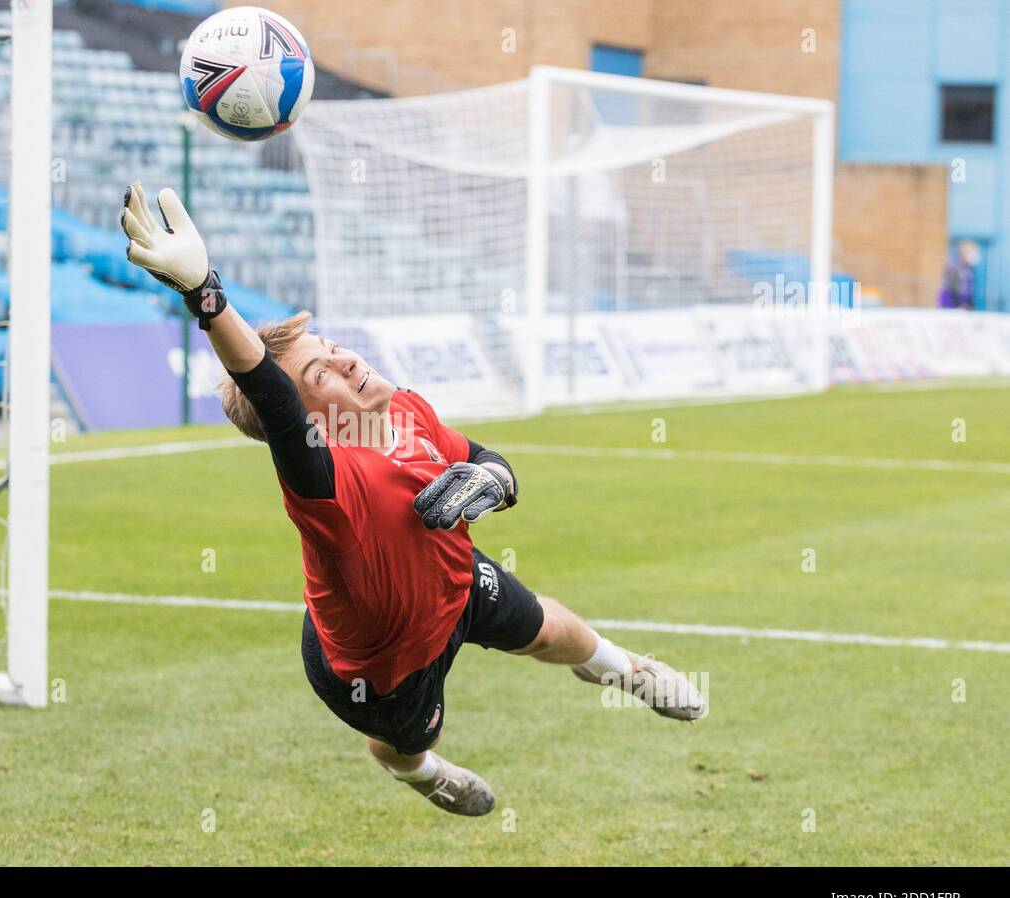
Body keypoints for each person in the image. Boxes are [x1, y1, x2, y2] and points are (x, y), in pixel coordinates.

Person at [120, 184, 706, 817]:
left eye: (334, 349)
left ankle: (624, 670)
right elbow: (273, 398)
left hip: (452, 583)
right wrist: (206, 294)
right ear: (310, 420)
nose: (346, 362)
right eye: (322, 375)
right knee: (400, 748)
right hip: (382, 662)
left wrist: (494, 483)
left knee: (550, 628)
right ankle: (424, 774)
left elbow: (483, 458)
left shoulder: (403, 406)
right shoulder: (326, 481)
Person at [937, 240, 979, 310]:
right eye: (972, 252)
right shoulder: (953, 267)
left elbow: (968, 290)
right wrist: (959, 305)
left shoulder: (968, 269)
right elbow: (952, 288)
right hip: (950, 305)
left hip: (963, 305)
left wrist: (970, 306)